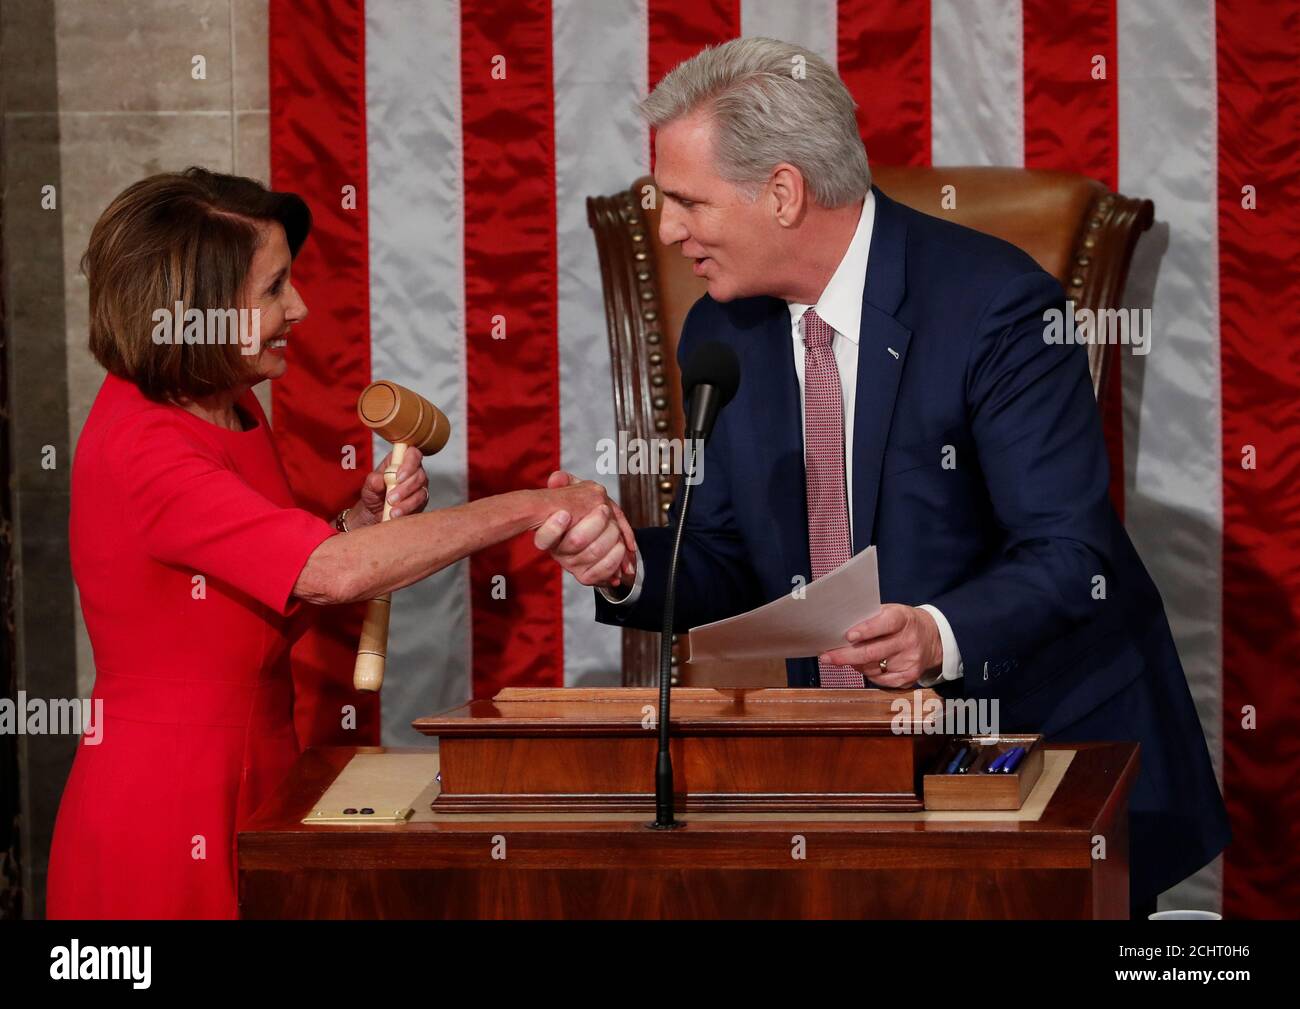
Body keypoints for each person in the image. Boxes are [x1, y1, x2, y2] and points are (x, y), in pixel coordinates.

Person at [537, 38, 1229, 916]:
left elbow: (1070, 550)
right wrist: (626, 559)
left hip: (1035, 752)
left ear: (782, 192)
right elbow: (724, 554)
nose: (668, 229)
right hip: (837, 778)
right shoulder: (725, 333)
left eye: (684, 200)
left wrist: (936, 633)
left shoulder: (996, 307)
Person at [46, 168, 625, 919]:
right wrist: (534, 505)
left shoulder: (234, 408)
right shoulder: (145, 445)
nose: (301, 306)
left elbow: (271, 575)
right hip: (163, 804)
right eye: (274, 287)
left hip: (263, 770)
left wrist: (354, 522)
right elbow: (329, 577)